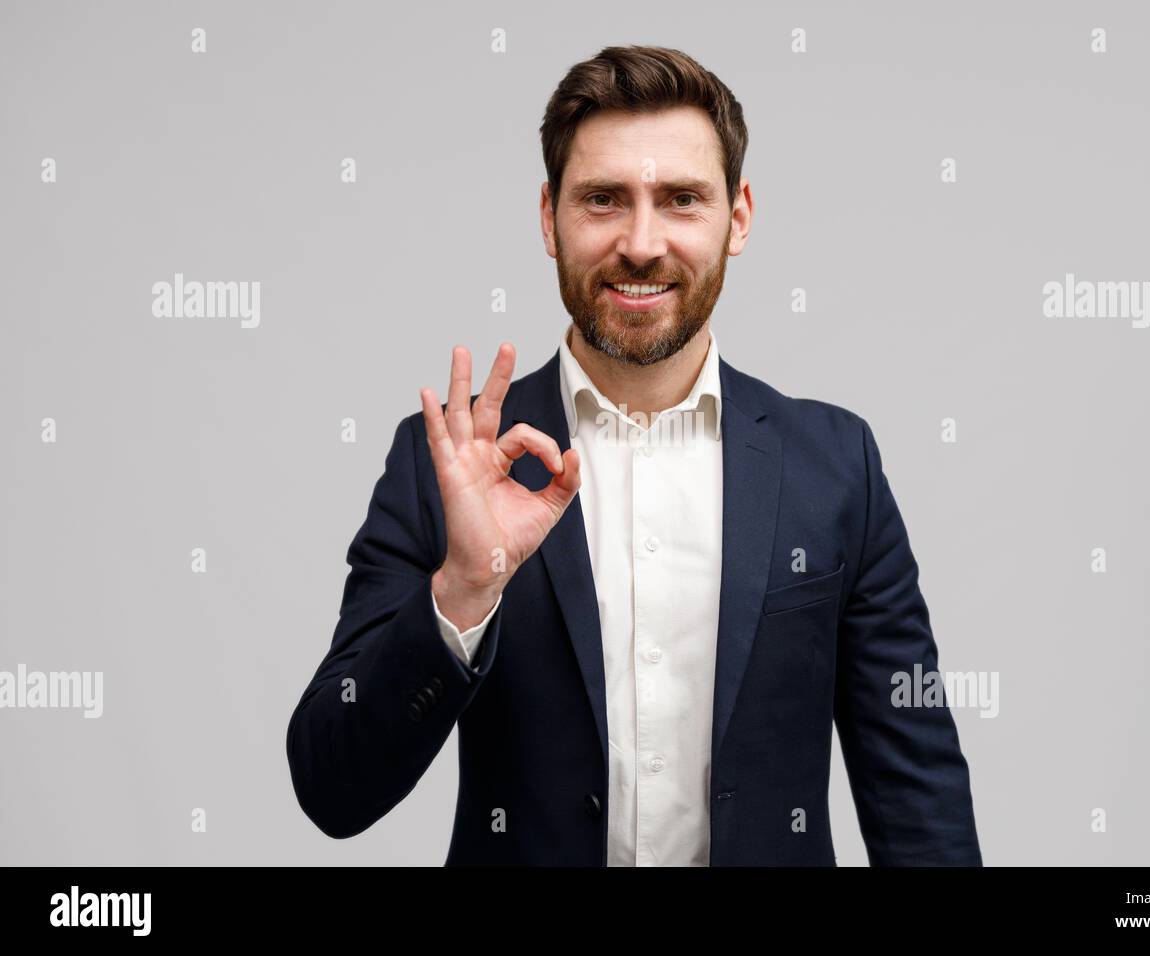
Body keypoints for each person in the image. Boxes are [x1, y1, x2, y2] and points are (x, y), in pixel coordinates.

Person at [286, 45, 981, 866]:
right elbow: (333, 789)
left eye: (681, 199)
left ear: (739, 216)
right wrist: (463, 592)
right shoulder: (447, 463)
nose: (642, 243)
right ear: (549, 218)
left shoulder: (836, 464)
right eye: (603, 200)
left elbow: (917, 792)